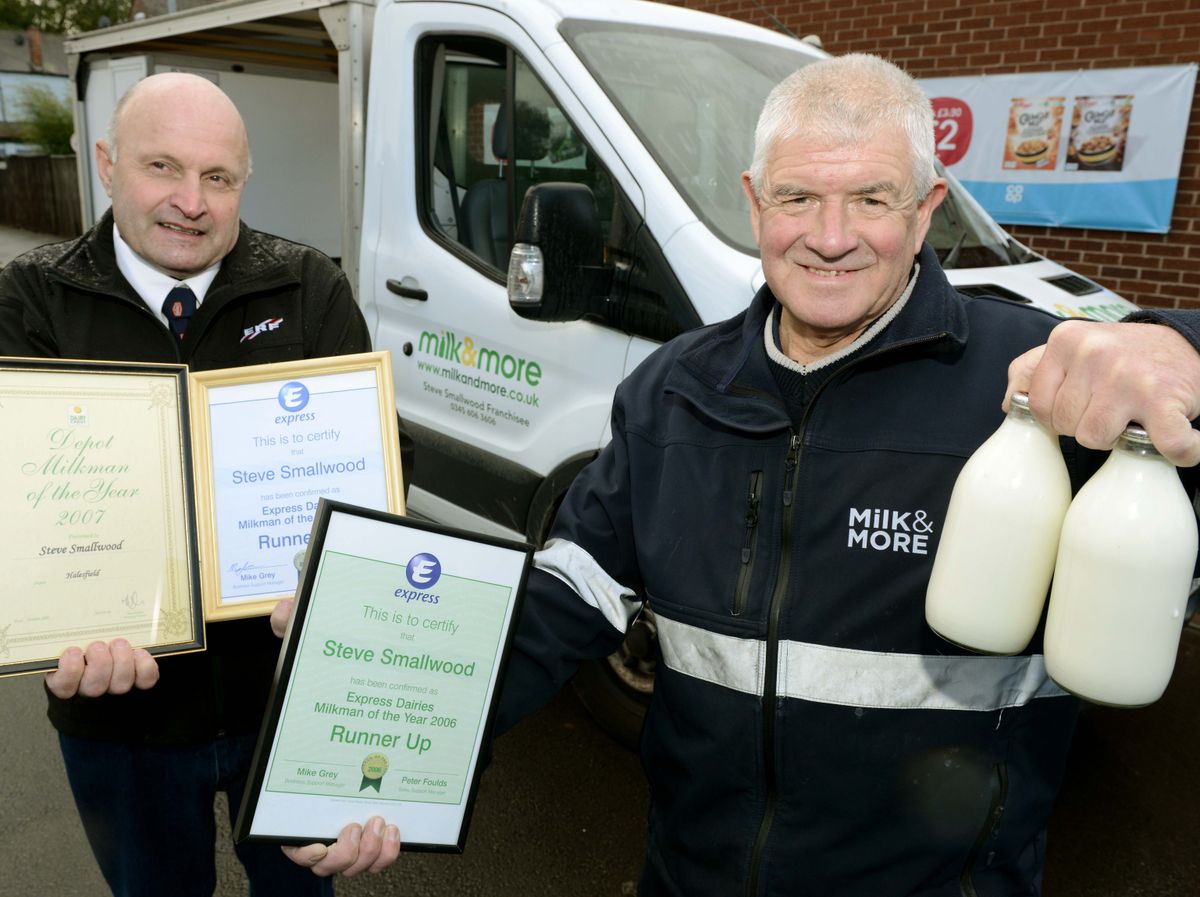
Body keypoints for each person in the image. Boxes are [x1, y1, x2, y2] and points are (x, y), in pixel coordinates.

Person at [282, 55, 1200, 891]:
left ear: (928, 209)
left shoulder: (1039, 390)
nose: (831, 238)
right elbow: (560, 604)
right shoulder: (673, 391)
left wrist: (1181, 350)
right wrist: (378, 728)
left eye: (874, 200)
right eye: (798, 198)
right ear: (755, 203)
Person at [0, 73, 403, 895]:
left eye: (216, 177)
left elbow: (376, 466)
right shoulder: (31, 299)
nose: (191, 200)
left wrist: (350, 584)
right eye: (162, 168)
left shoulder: (306, 288)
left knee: (302, 889)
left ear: (242, 182)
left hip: (287, 704)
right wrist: (54, 624)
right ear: (107, 165)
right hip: (121, 715)